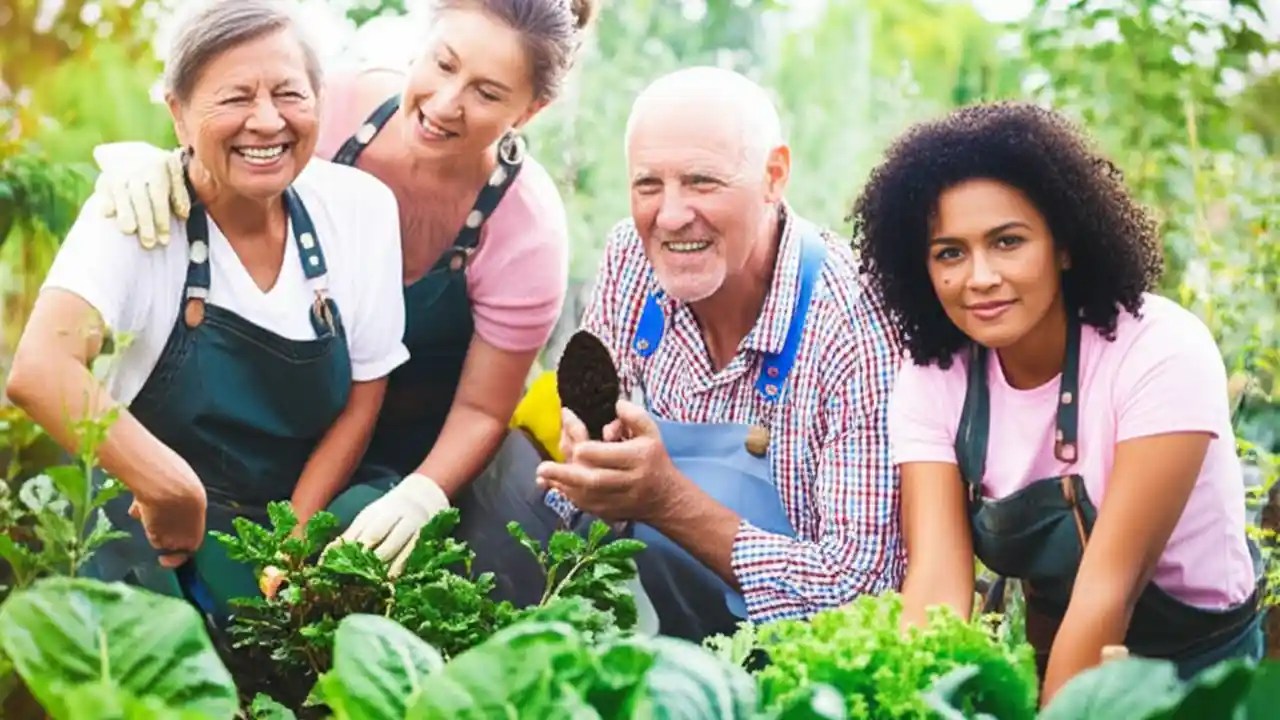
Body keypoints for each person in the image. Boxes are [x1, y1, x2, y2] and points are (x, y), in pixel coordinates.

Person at [87, 0, 589, 574]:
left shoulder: (526, 232)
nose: (447, 104)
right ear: (421, 44)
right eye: (444, 65)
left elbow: (480, 408)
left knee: (357, 571)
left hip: (403, 455)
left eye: (488, 94)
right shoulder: (332, 107)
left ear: (530, 110)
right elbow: (225, 154)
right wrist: (156, 165)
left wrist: (421, 494)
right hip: (279, 417)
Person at [5, 0, 408, 625]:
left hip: (296, 507)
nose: (267, 120)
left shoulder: (362, 210)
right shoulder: (137, 214)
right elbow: (39, 368)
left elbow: (365, 390)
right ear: (179, 113)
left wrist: (294, 541)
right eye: (235, 98)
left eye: (288, 93)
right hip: (155, 524)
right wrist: (168, 485)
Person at [849, 102, 1264, 703]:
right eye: (950, 253)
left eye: (1008, 242)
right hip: (1055, 656)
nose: (980, 277)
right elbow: (938, 584)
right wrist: (916, 703)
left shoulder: (1161, 351)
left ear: (1063, 246)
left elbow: (1109, 591)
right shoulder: (933, 375)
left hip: (1199, 673)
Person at [525, 66, 907, 642]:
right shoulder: (631, 256)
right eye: (648, 185)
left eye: (702, 181)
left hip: (783, 659)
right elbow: (586, 419)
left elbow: (861, 589)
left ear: (773, 175)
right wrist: (588, 459)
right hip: (645, 620)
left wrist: (666, 501)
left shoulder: (853, 325)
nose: (672, 215)